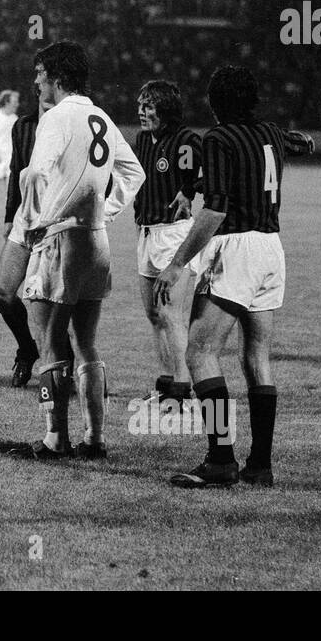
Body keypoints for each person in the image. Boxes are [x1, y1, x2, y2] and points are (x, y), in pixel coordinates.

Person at [154, 65, 314, 488]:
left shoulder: (218, 138)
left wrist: (177, 264)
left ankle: (221, 459)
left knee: (200, 353)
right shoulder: (272, 133)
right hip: (271, 248)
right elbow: (303, 143)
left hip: (237, 247)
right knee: (256, 356)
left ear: (214, 102)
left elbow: (217, 209)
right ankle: (260, 466)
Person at [9, 41, 145, 461]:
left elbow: (35, 173)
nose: (35, 83)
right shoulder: (100, 116)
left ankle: (54, 438)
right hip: (95, 238)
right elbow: (133, 171)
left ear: (58, 79)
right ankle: (96, 438)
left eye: (39, 75)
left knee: (50, 339)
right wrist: (107, 209)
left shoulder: (57, 118)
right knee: (86, 341)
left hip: (60, 239)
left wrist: (33, 223)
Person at [133, 80, 204, 407]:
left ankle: (182, 385)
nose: (141, 112)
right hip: (146, 233)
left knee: (170, 313)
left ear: (165, 109)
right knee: (152, 313)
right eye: (141, 105)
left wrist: (189, 189)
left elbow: (207, 172)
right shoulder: (142, 141)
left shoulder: (186, 140)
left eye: (148, 106)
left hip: (174, 234)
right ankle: (166, 379)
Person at [0, 91, 44, 388]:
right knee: (2, 292)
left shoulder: (72, 124)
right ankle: (27, 348)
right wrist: (10, 214)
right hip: (25, 220)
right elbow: (16, 171)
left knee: (46, 301)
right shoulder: (23, 126)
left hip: (56, 225)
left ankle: (63, 362)